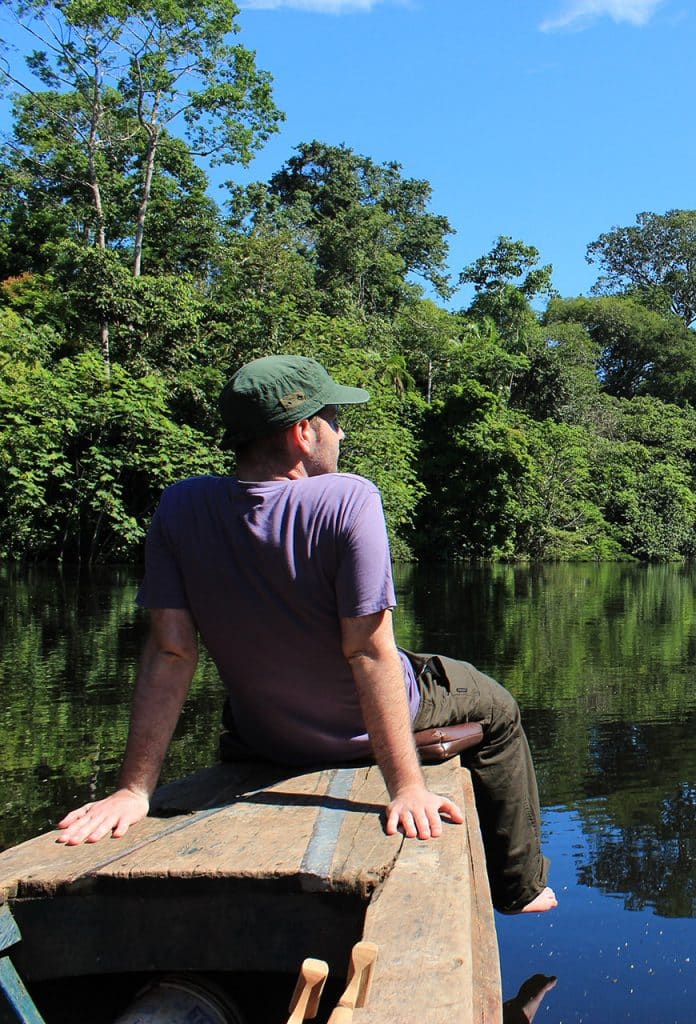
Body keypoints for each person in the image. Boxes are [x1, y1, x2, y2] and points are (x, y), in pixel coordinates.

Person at [56, 355, 556, 915]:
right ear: (302, 433)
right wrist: (407, 789)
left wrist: (133, 789)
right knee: (498, 707)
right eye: (334, 419)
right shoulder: (348, 497)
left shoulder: (180, 504)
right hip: (356, 727)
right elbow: (368, 651)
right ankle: (522, 888)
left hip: (263, 735)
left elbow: (171, 651)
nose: (341, 431)